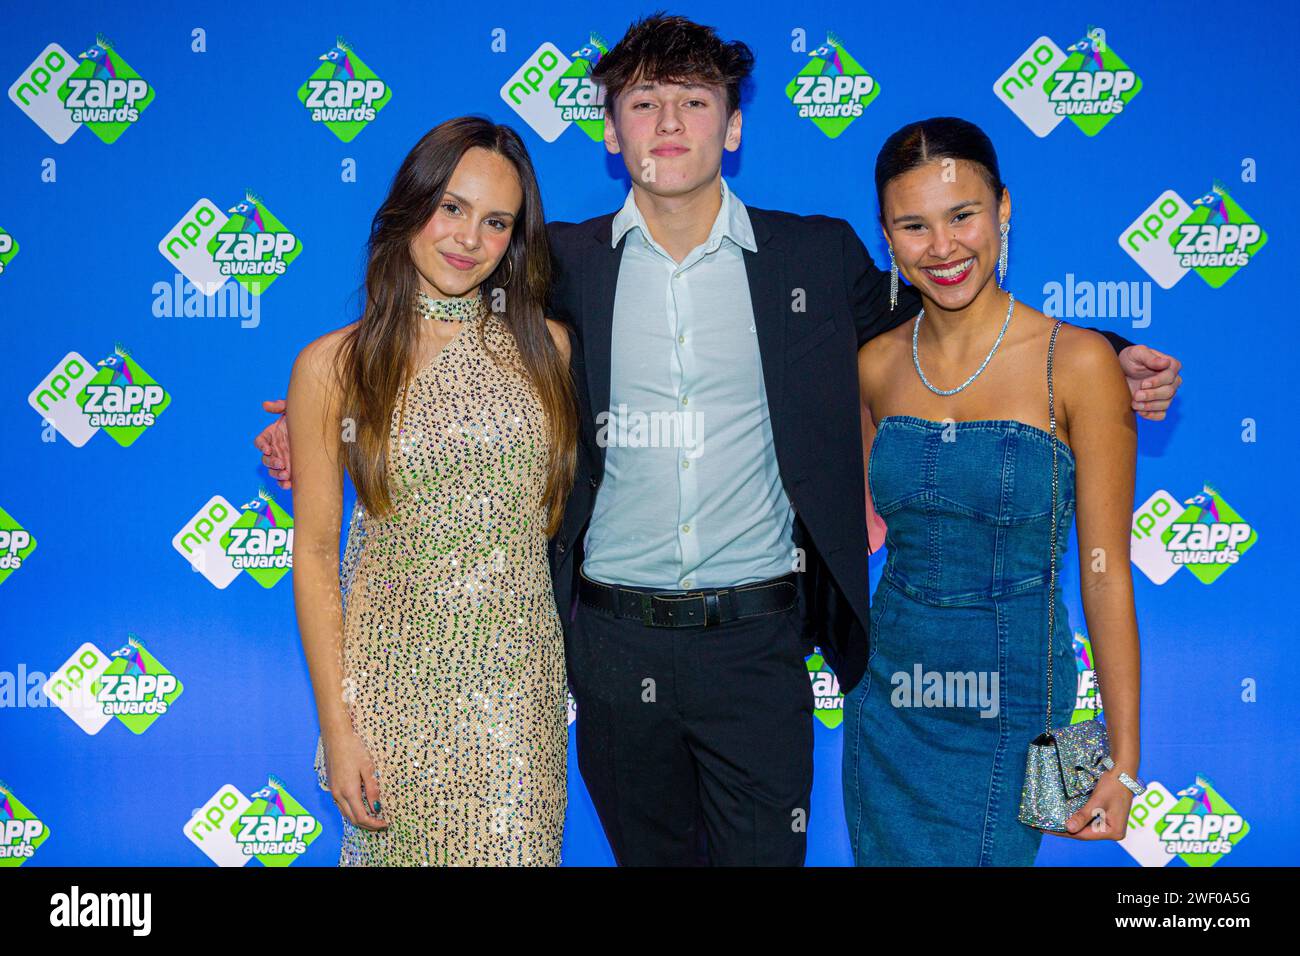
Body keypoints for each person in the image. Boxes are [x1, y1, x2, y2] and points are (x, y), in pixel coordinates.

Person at [258, 15, 1182, 866]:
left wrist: (1101, 350)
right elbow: (449, 337)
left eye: (695, 101)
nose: (670, 123)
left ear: (733, 126)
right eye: (643, 103)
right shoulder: (562, 269)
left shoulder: (814, 260)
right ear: (610, 134)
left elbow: (942, 304)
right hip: (610, 651)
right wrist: (336, 426)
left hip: (759, 646)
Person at [845, 117, 1142, 865]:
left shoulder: (1077, 362)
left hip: (1023, 693)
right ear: (885, 235)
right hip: (891, 699)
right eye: (913, 226)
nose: (942, 248)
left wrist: (1124, 760)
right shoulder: (874, 365)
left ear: (1003, 209)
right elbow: (846, 524)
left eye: (962, 216)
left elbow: (1105, 574)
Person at [287, 116, 576, 866]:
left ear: (515, 239)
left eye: (496, 221)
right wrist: (338, 724)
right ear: (410, 206)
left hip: (517, 703)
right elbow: (316, 554)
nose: (468, 239)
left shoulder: (548, 350)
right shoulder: (332, 366)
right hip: (387, 703)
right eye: (451, 207)